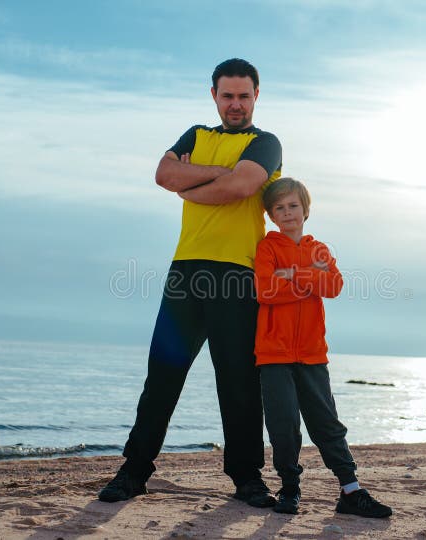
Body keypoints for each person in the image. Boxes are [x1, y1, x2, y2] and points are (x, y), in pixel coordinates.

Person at [98, 58, 282, 508]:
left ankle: (247, 478)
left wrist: (193, 181)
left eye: (243, 96)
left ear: (256, 96)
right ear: (214, 96)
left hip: (238, 275)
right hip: (185, 273)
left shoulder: (266, 143)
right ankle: (134, 471)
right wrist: (221, 173)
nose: (235, 104)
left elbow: (242, 187)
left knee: (238, 382)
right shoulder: (195, 135)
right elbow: (164, 175)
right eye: (227, 95)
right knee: (162, 375)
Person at [254, 178, 393, 518]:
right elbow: (265, 291)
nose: (288, 213)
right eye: (279, 208)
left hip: (313, 353)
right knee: (284, 425)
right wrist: (310, 278)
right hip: (273, 354)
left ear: (305, 210)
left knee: (326, 423)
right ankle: (289, 488)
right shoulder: (267, 248)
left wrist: (293, 274)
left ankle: (351, 490)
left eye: (293, 206)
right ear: (271, 215)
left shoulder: (319, 250)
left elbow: (334, 285)